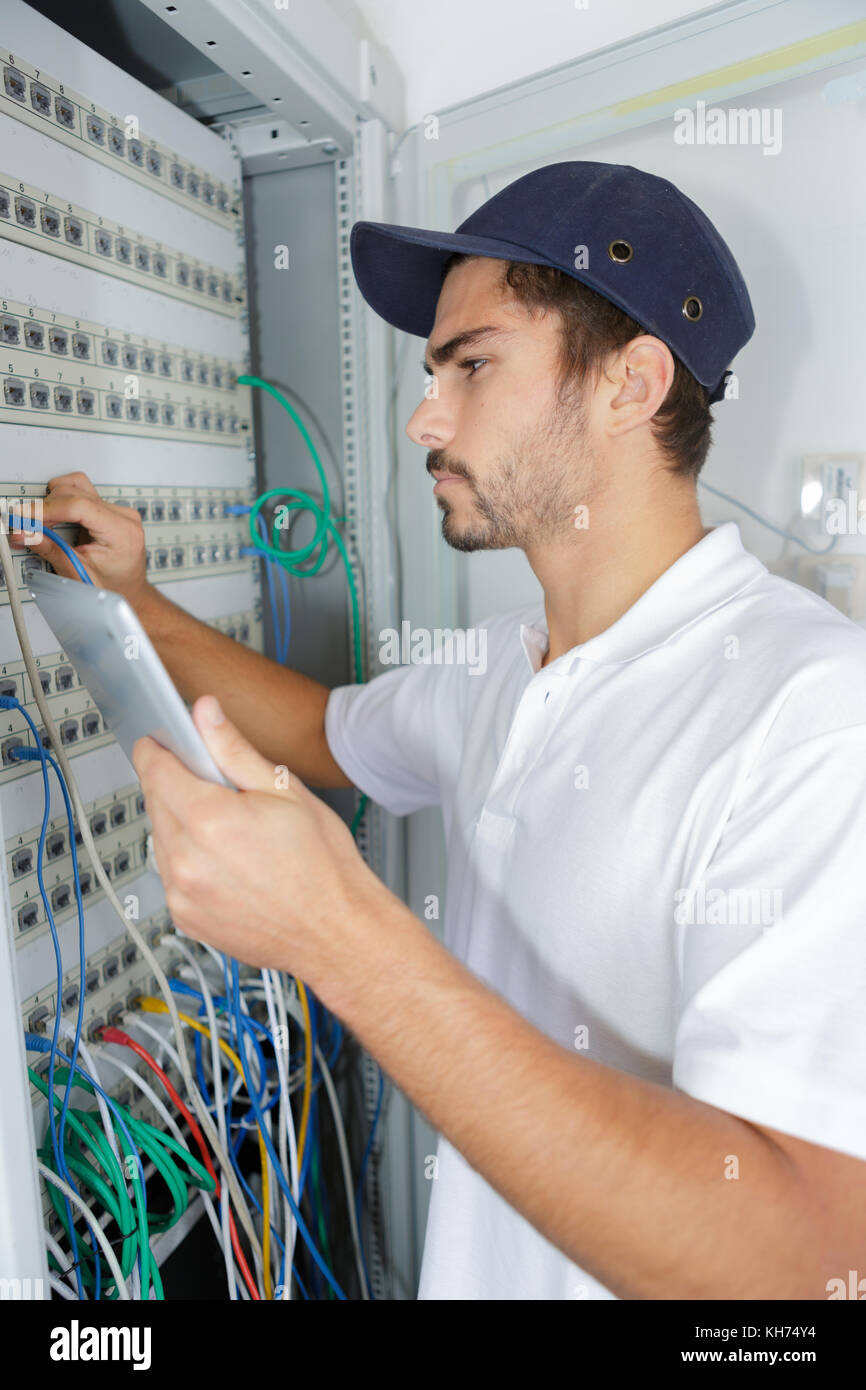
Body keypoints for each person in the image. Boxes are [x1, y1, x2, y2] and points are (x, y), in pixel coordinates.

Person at [20, 162, 866, 1301]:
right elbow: (321, 730)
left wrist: (338, 937)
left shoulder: (805, 710)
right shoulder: (501, 667)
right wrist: (137, 603)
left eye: (470, 363)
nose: (424, 414)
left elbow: (804, 1266)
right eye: (432, 372)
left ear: (631, 383)